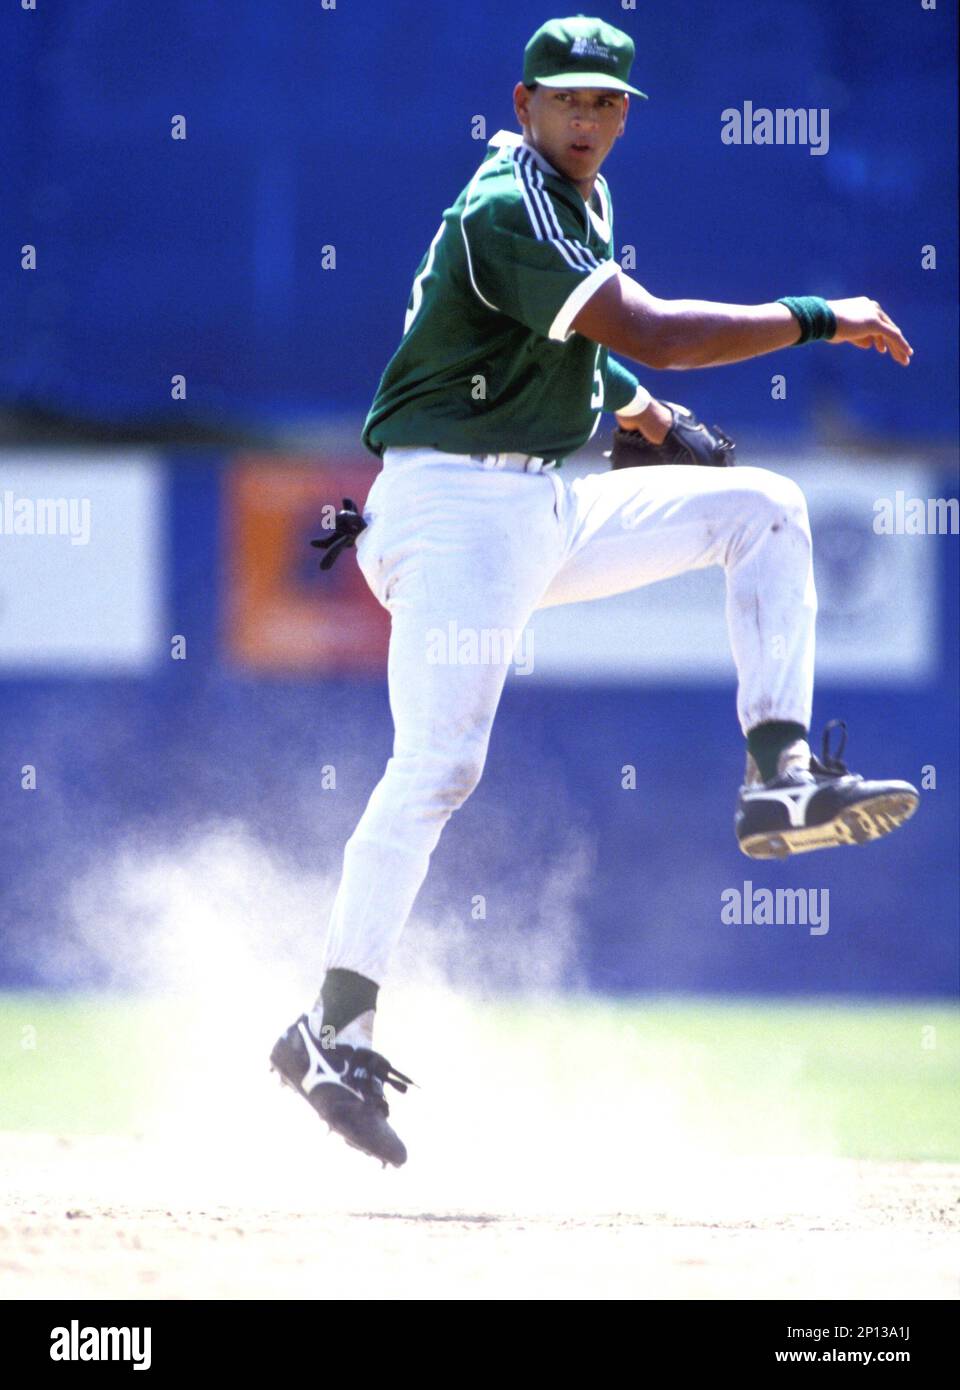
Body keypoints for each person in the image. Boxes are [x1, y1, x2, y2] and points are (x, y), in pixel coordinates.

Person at [270, 16, 919, 1167]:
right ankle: (330, 1027)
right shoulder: (504, 204)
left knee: (766, 511)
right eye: (565, 99)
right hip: (452, 512)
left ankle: (782, 775)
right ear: (523, 103)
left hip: (538, 509)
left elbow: (580, 342)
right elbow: (653, 330)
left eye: (606, 102)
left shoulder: (578, 201)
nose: (585, 118)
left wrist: (637, 413)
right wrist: (820, 315)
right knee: (440, 765)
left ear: (625, 113)